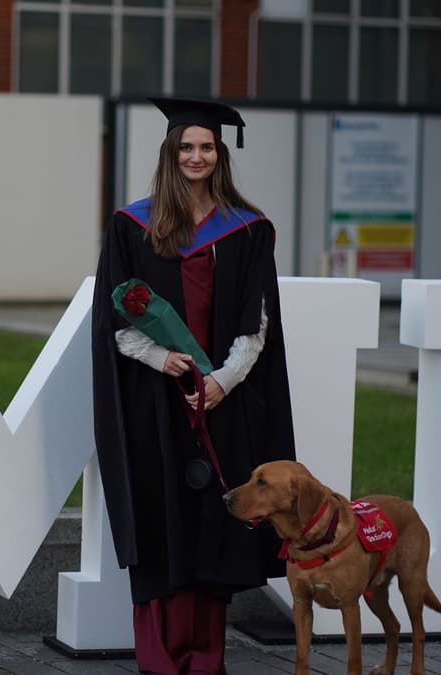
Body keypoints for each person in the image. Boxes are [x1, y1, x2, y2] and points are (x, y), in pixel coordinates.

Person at [91, 97, 297, 675]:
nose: (196, 157)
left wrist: (223, 382)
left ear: (220, 155)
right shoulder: (132, 226)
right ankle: (160, 658)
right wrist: (162, 359)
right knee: (161, 515)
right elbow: (114, 321)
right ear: (171, 153)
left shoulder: (247, 230)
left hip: (220, 398)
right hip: (155, 400)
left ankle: (205, 657)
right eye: (186, 147)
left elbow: (258, 323)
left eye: (207, 147)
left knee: (213, 522)